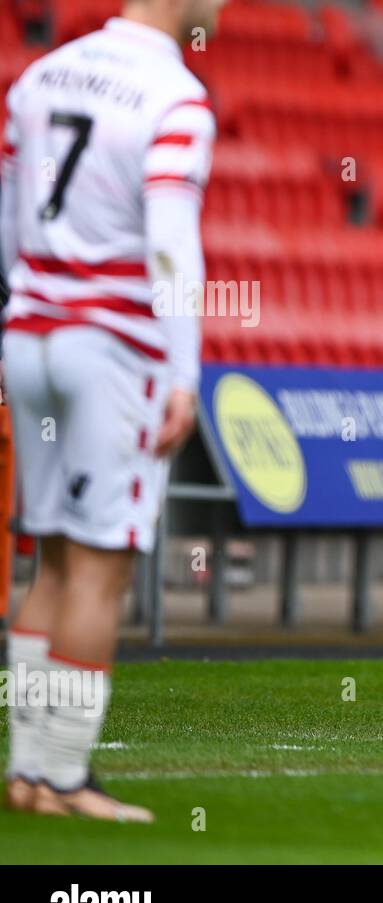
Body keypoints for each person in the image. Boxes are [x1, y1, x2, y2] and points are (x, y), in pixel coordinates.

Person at [1, 0, 225, 821]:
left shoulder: (38, 76)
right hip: (111, 348)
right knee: (100, 566)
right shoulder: (174, 93)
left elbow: (7, 217)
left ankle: (29, 772)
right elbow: (169, 238)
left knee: (50, 559)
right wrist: (181, 370)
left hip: (31, 333)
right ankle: (61, 779)